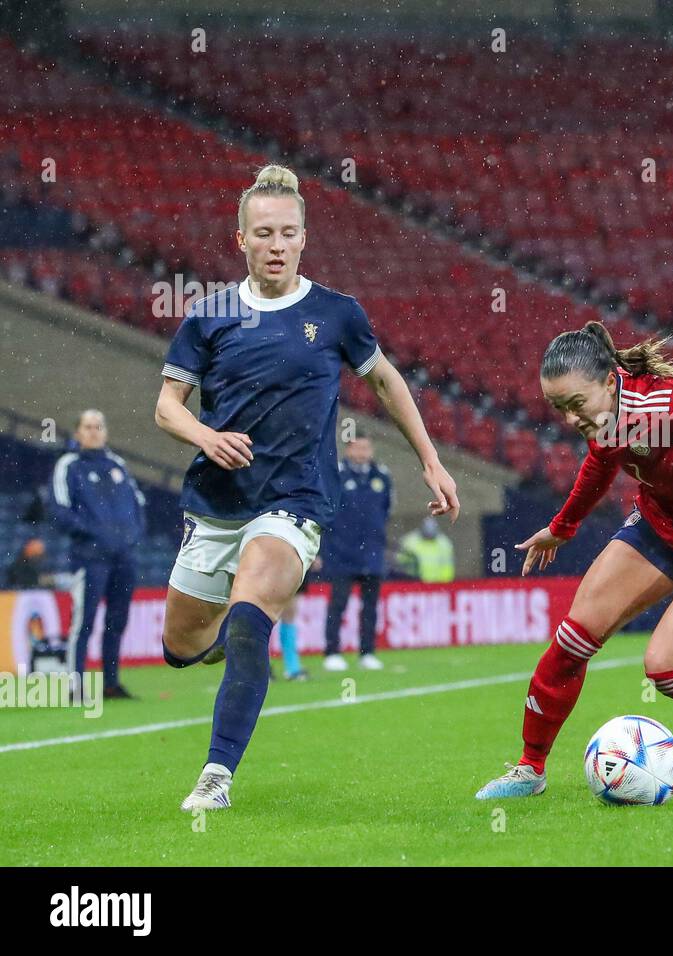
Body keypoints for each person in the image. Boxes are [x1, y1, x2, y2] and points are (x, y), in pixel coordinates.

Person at [154, 165, 459, 812]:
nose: (275, 244)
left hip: (293, 502)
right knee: (180, 647)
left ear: (302, 239)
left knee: (248, 618)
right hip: (215, 504)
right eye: (262, 233)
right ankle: (223, 652)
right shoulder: (210, 316)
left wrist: (430, 460)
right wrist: (206, 438)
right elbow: (166, 408)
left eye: (287, 233)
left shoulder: (337, 314)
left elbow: (386, 382)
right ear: (241, 240)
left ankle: (216, 774)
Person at [475, 321, 673, 799]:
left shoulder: (663, 402)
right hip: (662, 527)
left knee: (665, 667)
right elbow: (601, 462)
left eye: (575, 404)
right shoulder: (602, 417)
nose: (569, 419)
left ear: (609, 381)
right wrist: (561, 528)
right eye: (559, 408)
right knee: (571, 640)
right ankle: (530, 768)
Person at [50, 409, 146, 700]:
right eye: (88, 426)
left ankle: (111, 683)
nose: (94, 431)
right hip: (89, 557)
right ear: (78, 432)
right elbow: (59, 509)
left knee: (117, 621)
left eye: (99, 426)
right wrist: (93, 534)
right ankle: (74, 685)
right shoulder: (69, 465)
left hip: (123, 557)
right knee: (85, 620)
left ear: (105, 432)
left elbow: (139, 504)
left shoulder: (117, 464)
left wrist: (132, 536)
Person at [322, 430, 392, 671]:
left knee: (370, 605)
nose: (362, 453)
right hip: (342, 551)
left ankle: (368, 652)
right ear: (349, 449)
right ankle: (332, 651)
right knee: (338, 603)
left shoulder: (382, 476)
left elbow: (385, 510)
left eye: (366, 448)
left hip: (372, 552)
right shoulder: (337, 475)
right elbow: (326, 511)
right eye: (358, 448)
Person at [396, 516, 454, 583]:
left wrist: (445, 584)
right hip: (414, 583)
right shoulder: (410, 542)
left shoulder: (444, 544)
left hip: (437, 584)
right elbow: (401, 563)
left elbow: (447, 567)